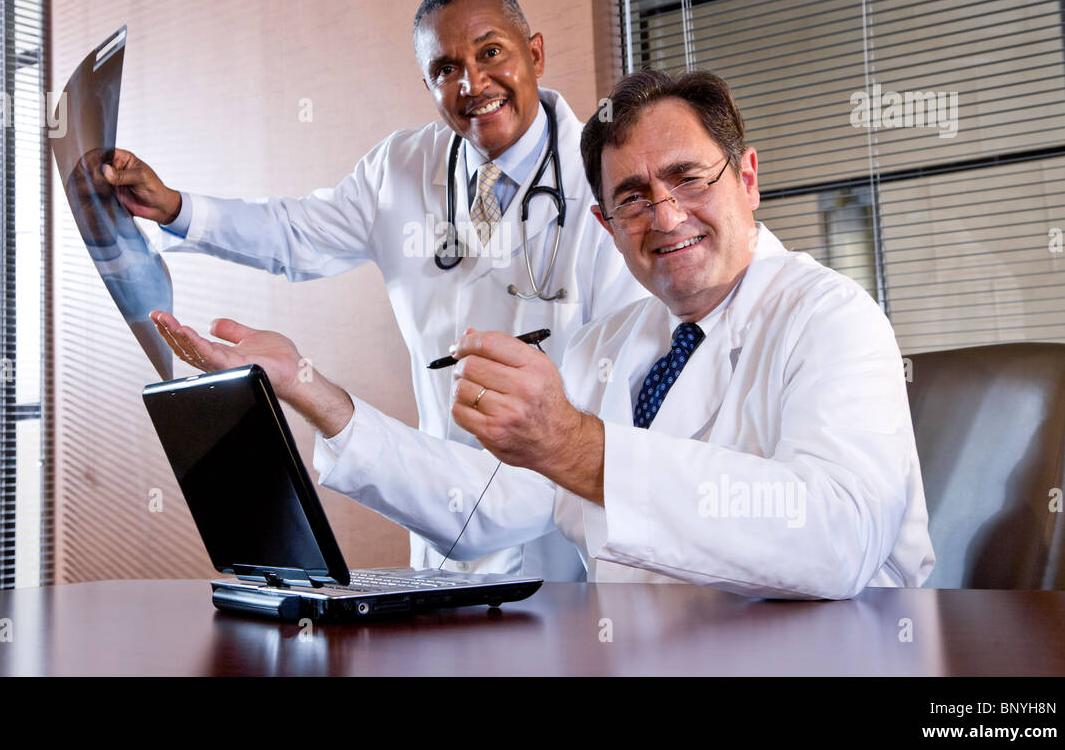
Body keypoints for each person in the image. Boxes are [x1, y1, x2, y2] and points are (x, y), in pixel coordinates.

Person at [168, 68, 935, 599]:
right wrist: (307, 386)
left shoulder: (833, 319)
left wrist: (578, 447)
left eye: (688, 178)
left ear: (746, 178)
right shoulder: (611, 345)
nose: (664, 215)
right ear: (604, 224)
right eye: (632, 197)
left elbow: (837, 541)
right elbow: (489, 508)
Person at [103, 0, 648, 580]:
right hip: (442, 522)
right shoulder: (402, 168)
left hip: (564, 543)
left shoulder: (607, 184)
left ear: (535, 53)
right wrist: (178, 208)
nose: (472, 84)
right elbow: (297, 232)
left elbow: (614, 413)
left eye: (491, 51)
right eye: (446, 68)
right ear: (428, 85)